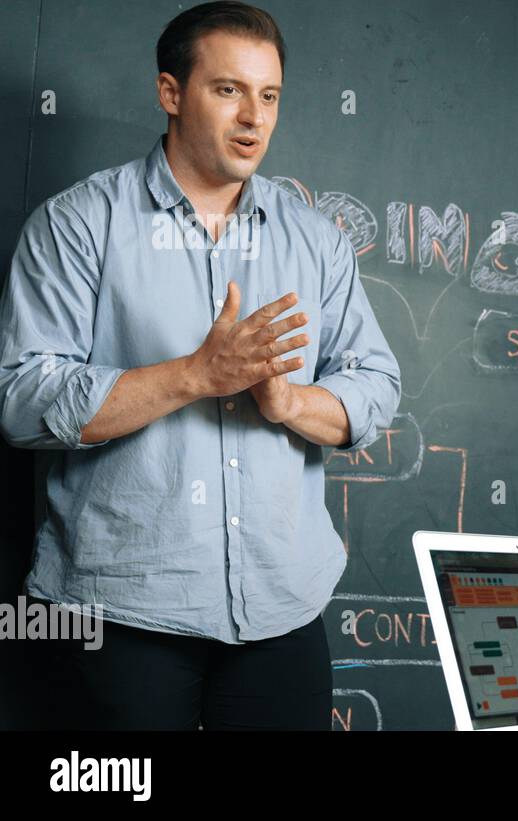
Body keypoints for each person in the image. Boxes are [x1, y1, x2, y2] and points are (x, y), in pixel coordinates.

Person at [0, 1, 400, 729]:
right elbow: (23, 399)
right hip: (121, 617)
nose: (254, 116)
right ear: (171, 92)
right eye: (228, 89)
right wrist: (193, 376)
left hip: (282, 613)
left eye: (269, 95)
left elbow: (375, 386)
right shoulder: (78, 225)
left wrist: (288, 404)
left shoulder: (317, 242)